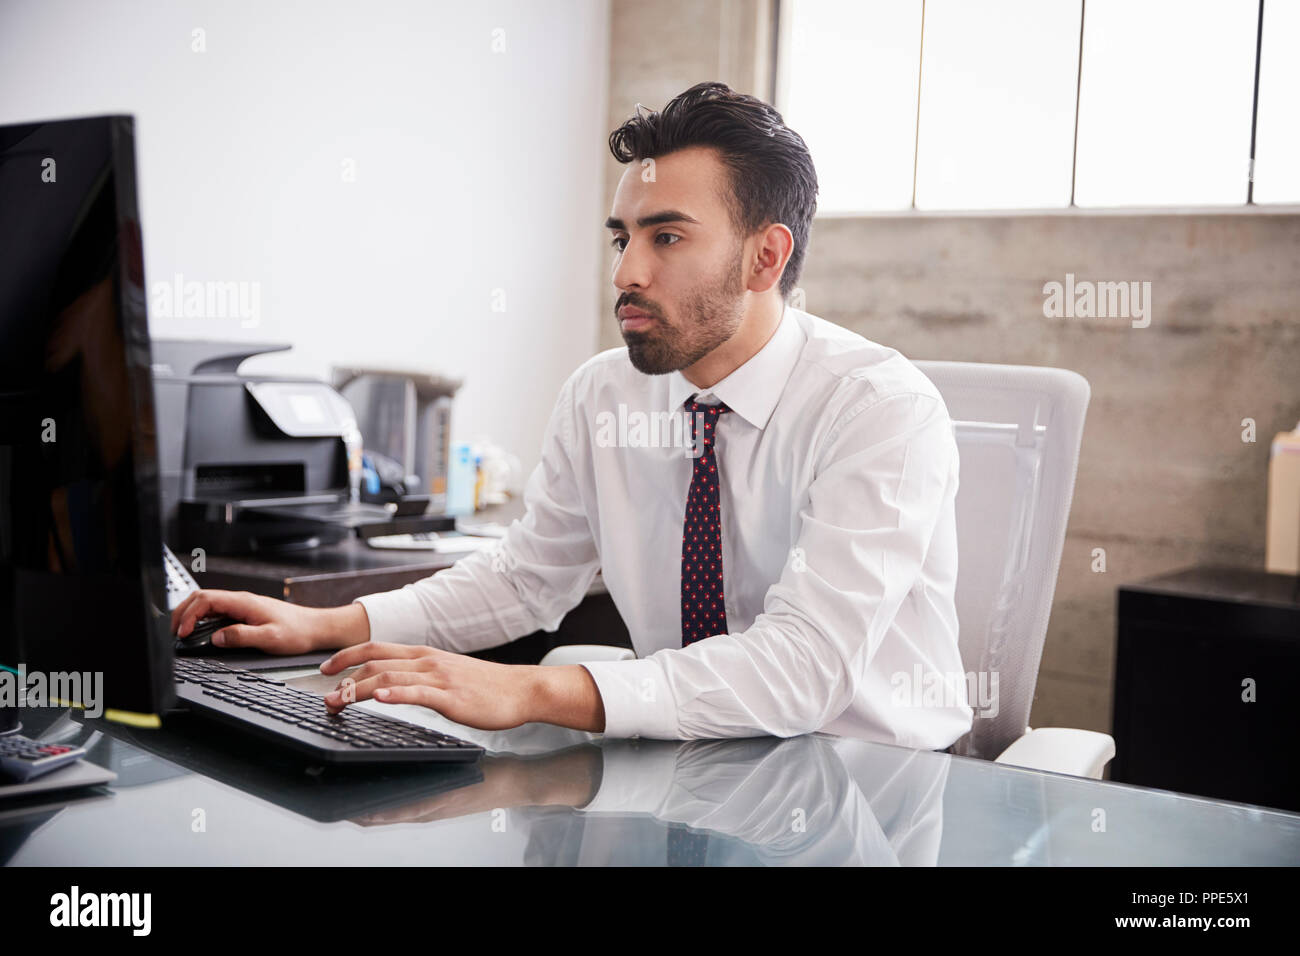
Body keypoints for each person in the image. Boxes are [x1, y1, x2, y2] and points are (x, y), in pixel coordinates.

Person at [172, 81, 973, 748]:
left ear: (766, 256)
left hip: (872, 787)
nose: (626, 271)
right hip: (696, 764)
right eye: (621, 238)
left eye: (666, 238)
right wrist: (331, 624)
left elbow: (801, 670)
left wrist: (532, 690)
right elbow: (526, 580)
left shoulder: (879, 411)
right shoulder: (605, 394)